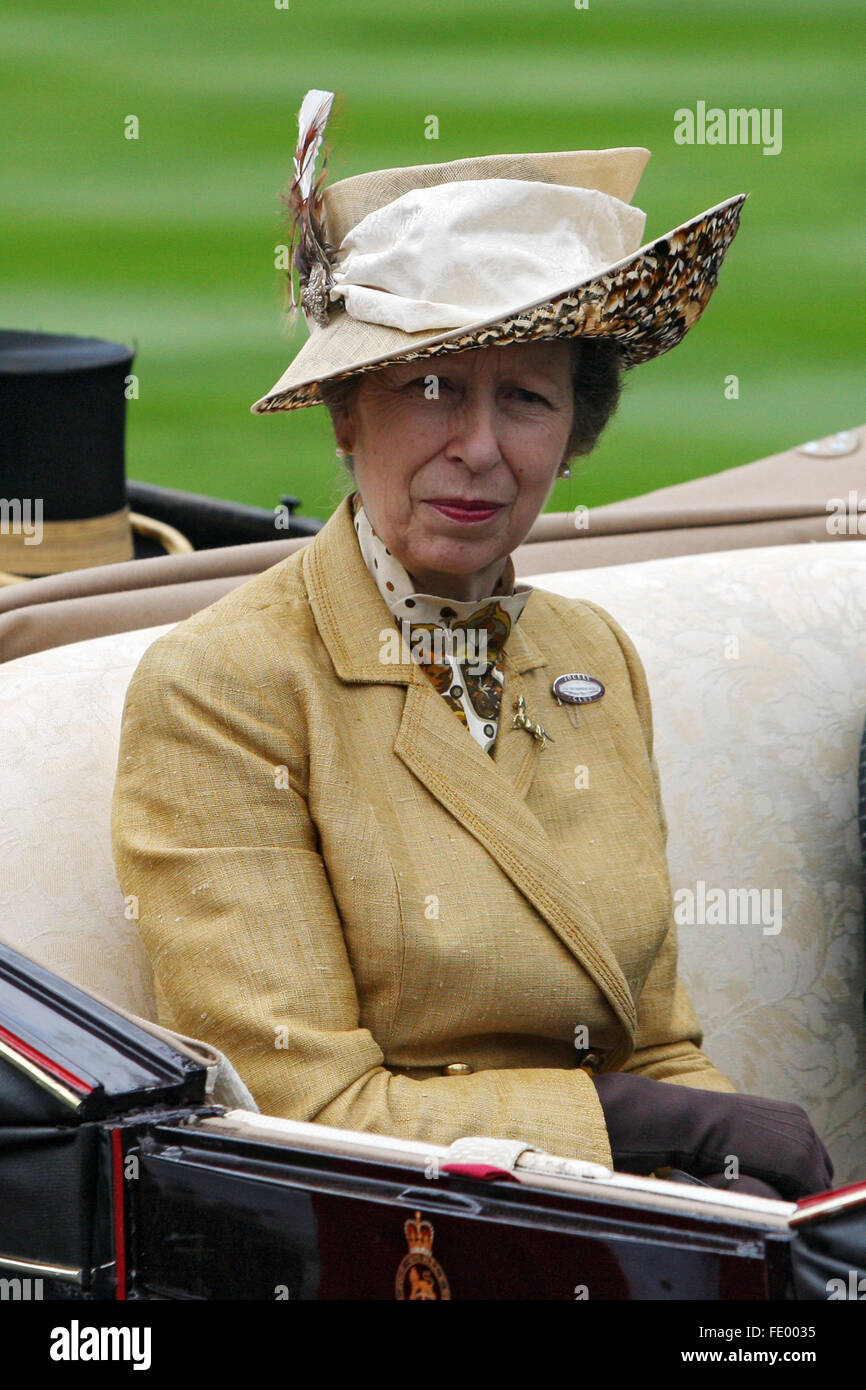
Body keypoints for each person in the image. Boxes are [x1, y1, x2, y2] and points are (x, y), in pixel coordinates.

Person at [111, 89, 832, 1202]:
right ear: (346, 413)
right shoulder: (224, 686)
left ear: (573, 433)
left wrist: (751, 1205)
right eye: (432, 389)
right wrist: (643, 1126)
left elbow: (653, 1044)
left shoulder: (593, 654)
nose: (479, 448)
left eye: (528, 399)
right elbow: (299, 1114)